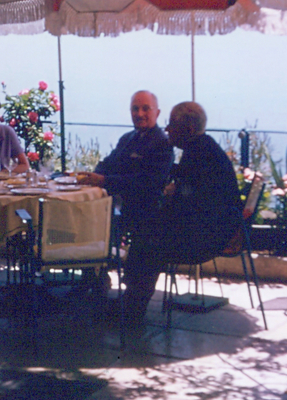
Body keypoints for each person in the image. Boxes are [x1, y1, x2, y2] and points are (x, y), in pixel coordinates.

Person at [122, 101, 243, 333]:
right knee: (147, 234)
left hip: (208, 239)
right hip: (218, 229)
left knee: (147, 241)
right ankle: (132, 303)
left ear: (187, 130)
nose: (166, 129)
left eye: (171, 125)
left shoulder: (198, 155)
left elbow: (183, 206)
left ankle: (132, 310)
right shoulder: (203, 148)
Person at [78, 90, 173, 235]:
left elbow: (147, 182)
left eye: (145, 109)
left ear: (157, 113)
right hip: (116, 206)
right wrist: (92, 177)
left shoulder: (162, 144)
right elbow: (107, 164)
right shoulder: (127, 138)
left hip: (142, 215)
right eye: (135, 109)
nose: (139, 114)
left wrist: (104, 181)